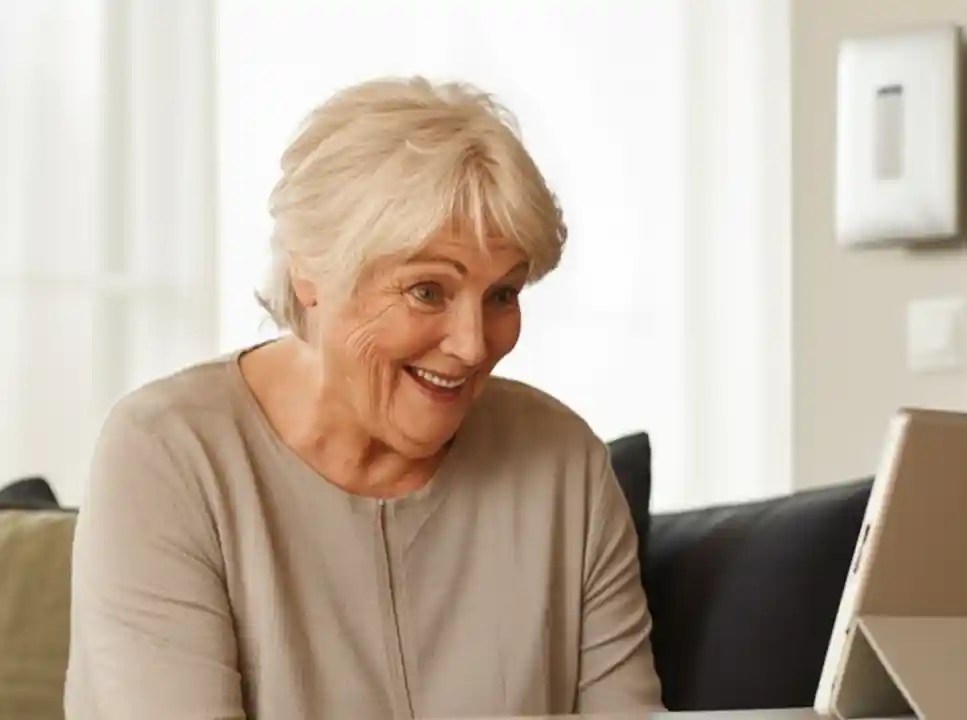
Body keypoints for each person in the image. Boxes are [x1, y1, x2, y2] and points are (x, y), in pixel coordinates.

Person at [64, 76, 664, 719]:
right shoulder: (170, 455)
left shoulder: (562, 463)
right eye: (428, 291)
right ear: (311, 271)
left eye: (502, 295)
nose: (471, 344)